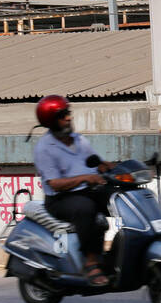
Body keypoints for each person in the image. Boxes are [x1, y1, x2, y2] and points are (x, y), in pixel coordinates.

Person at [32, 95, 114, 286]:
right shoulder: (44, 148)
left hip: (87, 190)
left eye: (68, 113)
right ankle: (91, 262)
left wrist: (108, 167)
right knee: (85, 208)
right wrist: (85, 178)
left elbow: (95, 163)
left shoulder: (79, 139)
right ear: (52, 121)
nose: (68, 118)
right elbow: (55, 184)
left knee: (119, 197)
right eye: (62, 115)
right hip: (60, 199)